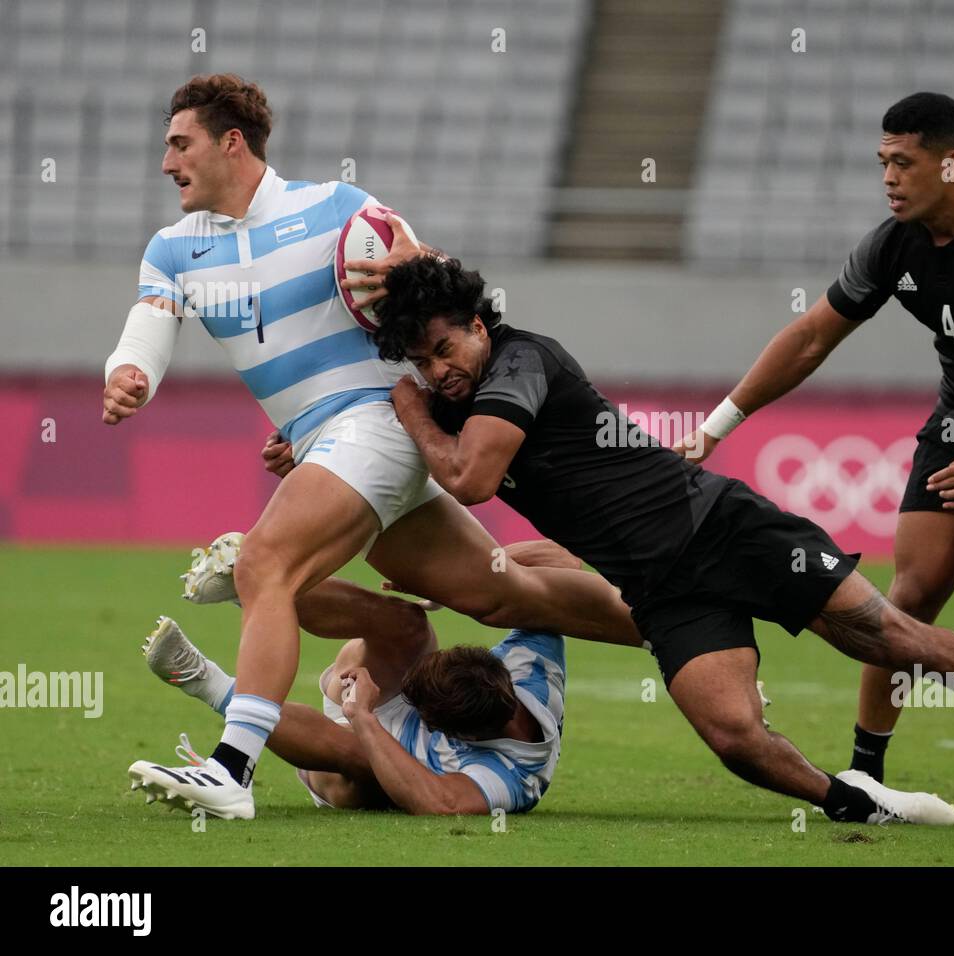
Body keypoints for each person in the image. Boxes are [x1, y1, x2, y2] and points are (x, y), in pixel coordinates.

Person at [366, 252, 954, 825]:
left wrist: (407, 408)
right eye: (423, 364)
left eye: (446, 349)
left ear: (478, 325)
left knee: (884, 635)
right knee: (734, 737)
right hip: (661, 590)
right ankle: (861, 805)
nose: (440, 372)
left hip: (720, 526)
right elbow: (415, 452)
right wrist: (308, 446)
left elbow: (467, 480)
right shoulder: (455, 404)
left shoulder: (519, 363)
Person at [105, 73, 640, 821]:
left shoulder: (337, 209)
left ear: (232, 143)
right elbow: (149, 324)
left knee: (267, 563)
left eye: (179, 143)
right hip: (327, 443)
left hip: (382, 423)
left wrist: (410, 265)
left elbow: (432, 276)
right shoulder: (172, 250)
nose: (167, 163)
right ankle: (679, 631)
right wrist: (128, 372)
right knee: (498, 592)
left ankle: (231, 770)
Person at [677, 92, 954, 781]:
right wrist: (716, 427)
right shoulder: (891, 243)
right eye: (882, 162)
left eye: (904, 163)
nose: (888, 178)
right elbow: (812, 336)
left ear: (950, 165)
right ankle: (867, 773)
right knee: (904, 601)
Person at [131, 541, 573, 818]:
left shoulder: (510, 776)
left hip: (346, 761)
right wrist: (460, 582)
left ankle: (203, 679)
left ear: (454, 733)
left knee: (364, 764)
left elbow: (440, 803)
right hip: (358, 677)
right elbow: (561, 561)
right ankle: (261, 582)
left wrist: (363, 715)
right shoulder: (531, 669)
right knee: (411, 625)